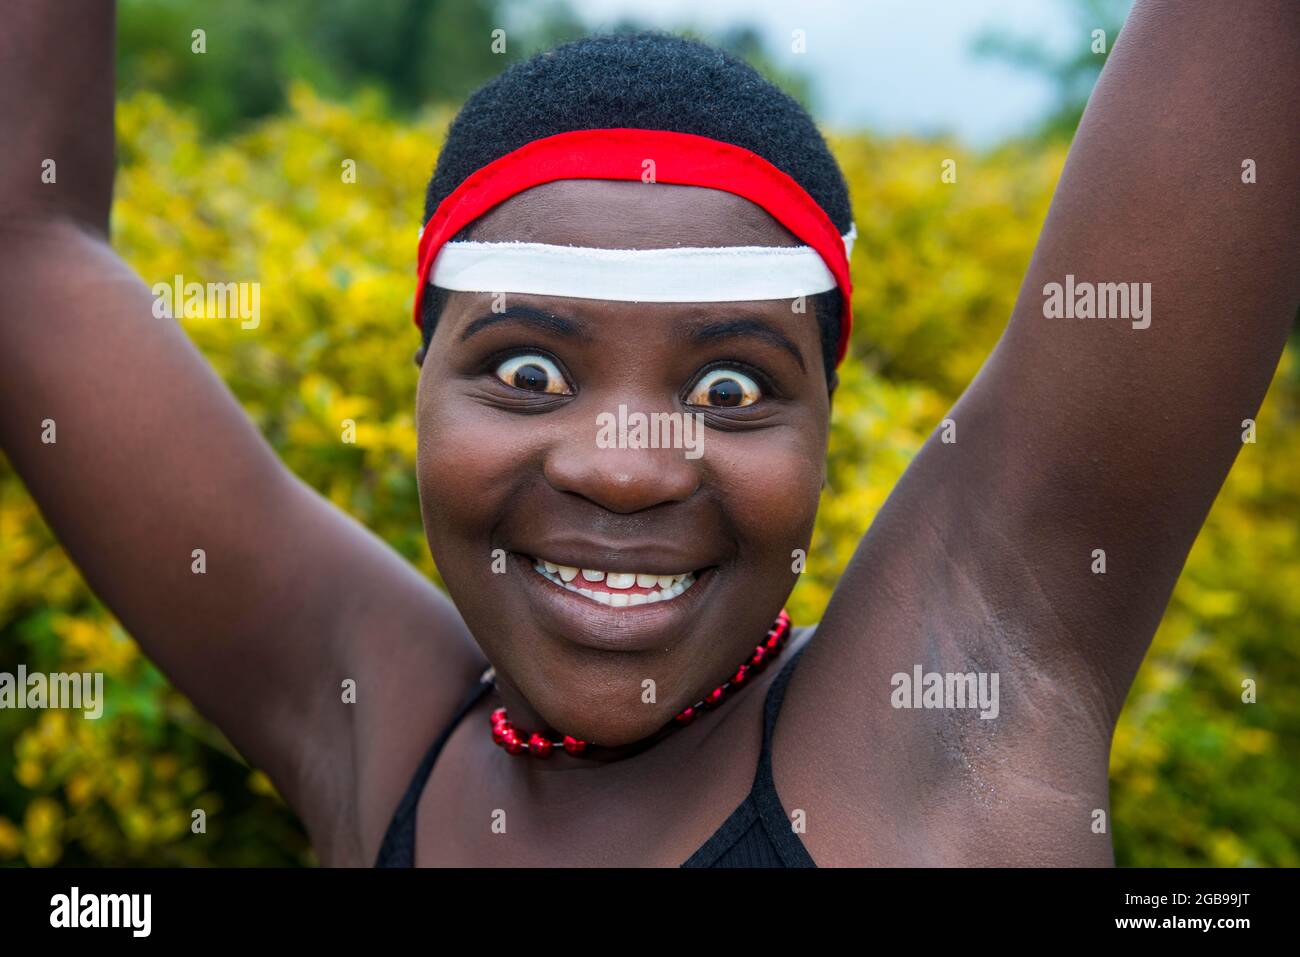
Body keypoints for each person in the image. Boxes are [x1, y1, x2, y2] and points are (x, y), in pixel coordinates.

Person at [0, 1, 1296, 867]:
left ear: (829, 424)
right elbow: (25, 246)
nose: (620, 460)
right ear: (418, 385)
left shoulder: (942, 725)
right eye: (524, 366)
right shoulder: (379, 731)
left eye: (731, 388)